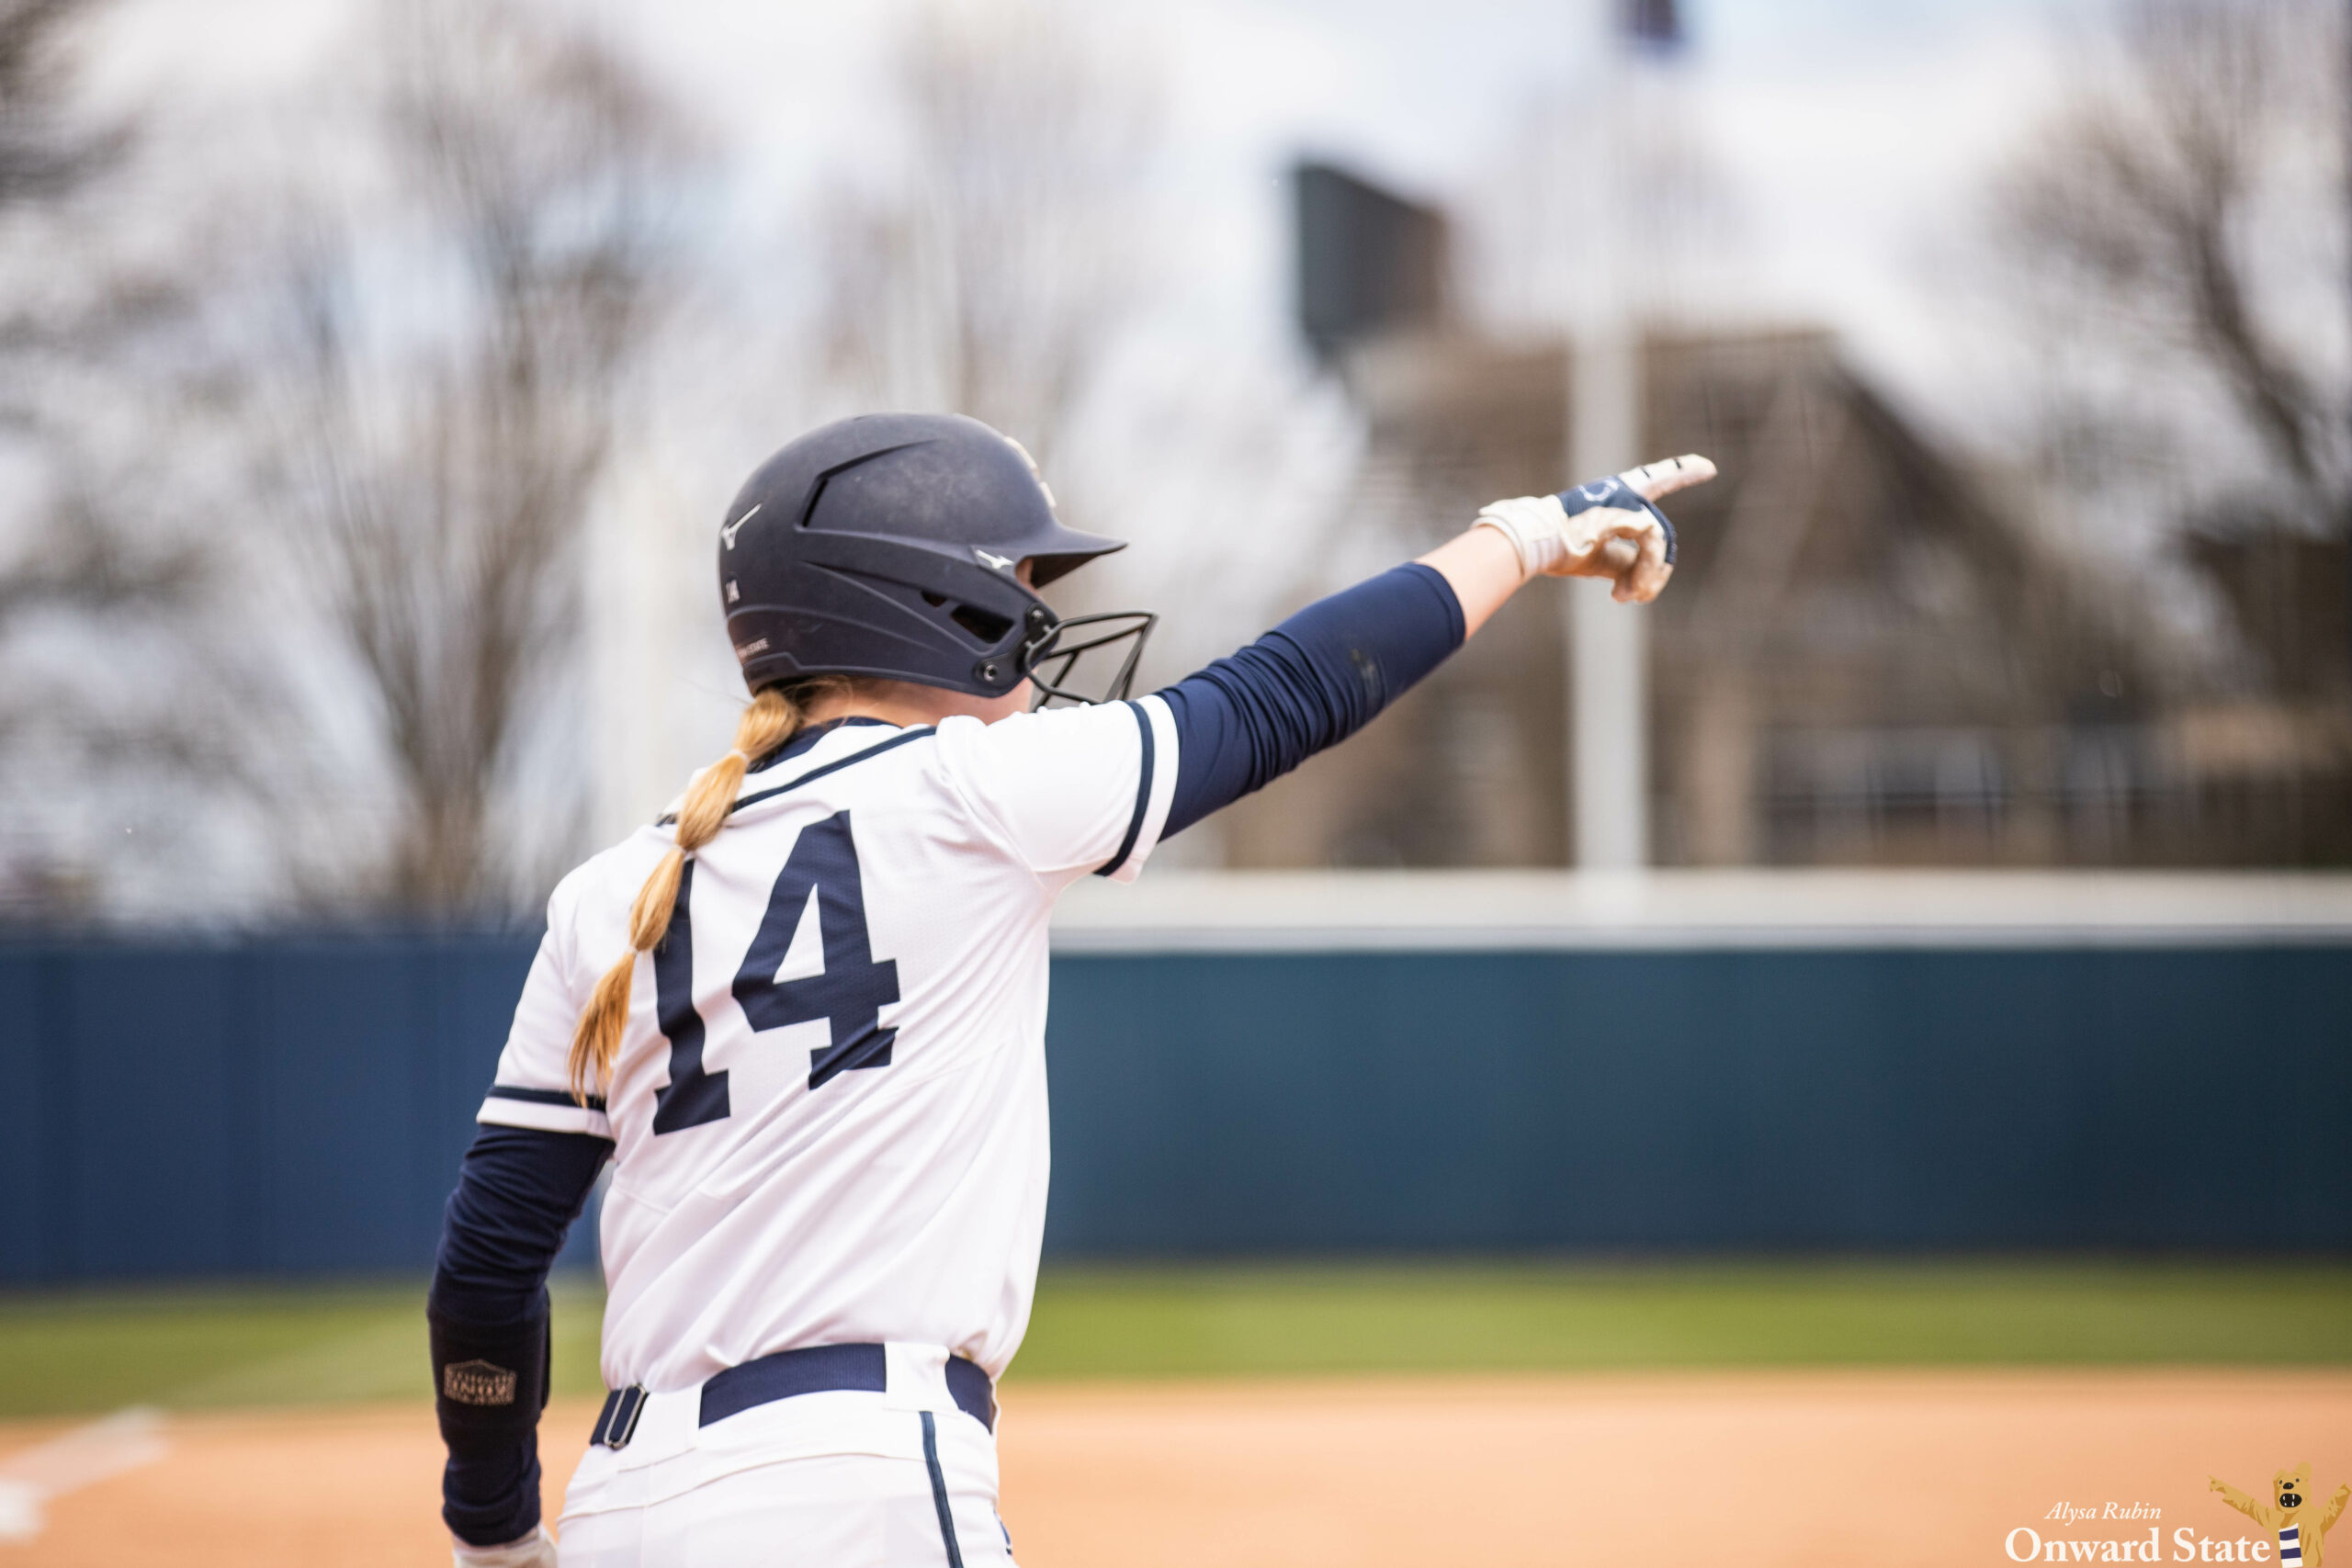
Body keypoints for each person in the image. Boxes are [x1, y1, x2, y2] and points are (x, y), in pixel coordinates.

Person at [428, 412, 1714, 1567]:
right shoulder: (974, 791)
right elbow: (1287, 695)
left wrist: (494, 1536)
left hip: (623, 1501)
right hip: (859, 1490)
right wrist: (1525, 535)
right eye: (1017, 597)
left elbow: (488, 1273)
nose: (1038, 639)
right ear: (927, 606)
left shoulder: (614, 890)